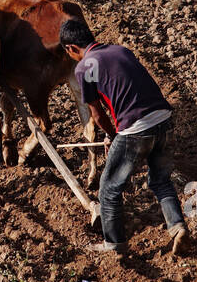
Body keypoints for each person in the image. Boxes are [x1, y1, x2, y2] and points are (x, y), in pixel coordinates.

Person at [59, 20, 190, 257]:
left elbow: (97, 115)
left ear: (70, 48)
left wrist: (112, 137)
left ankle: (114, 245)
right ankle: (177, 226)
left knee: (109, 189)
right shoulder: (120, 50)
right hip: (164, 119)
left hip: (135, 129)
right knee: (161, 181)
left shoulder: (84, 67)